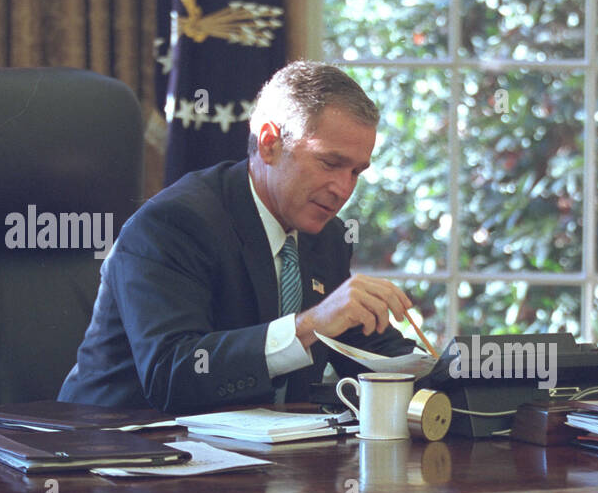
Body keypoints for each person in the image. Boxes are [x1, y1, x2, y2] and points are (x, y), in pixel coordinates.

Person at [60, 61, 415, 413]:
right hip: (115, 450)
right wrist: (309, 325)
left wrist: (457, 370)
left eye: (356, 172)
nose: (343, 189)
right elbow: (172, 374)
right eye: (329, 163)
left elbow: (371, 353)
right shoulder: (175, 222)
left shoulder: (327, 237)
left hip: (261, 457)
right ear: (269, 143)